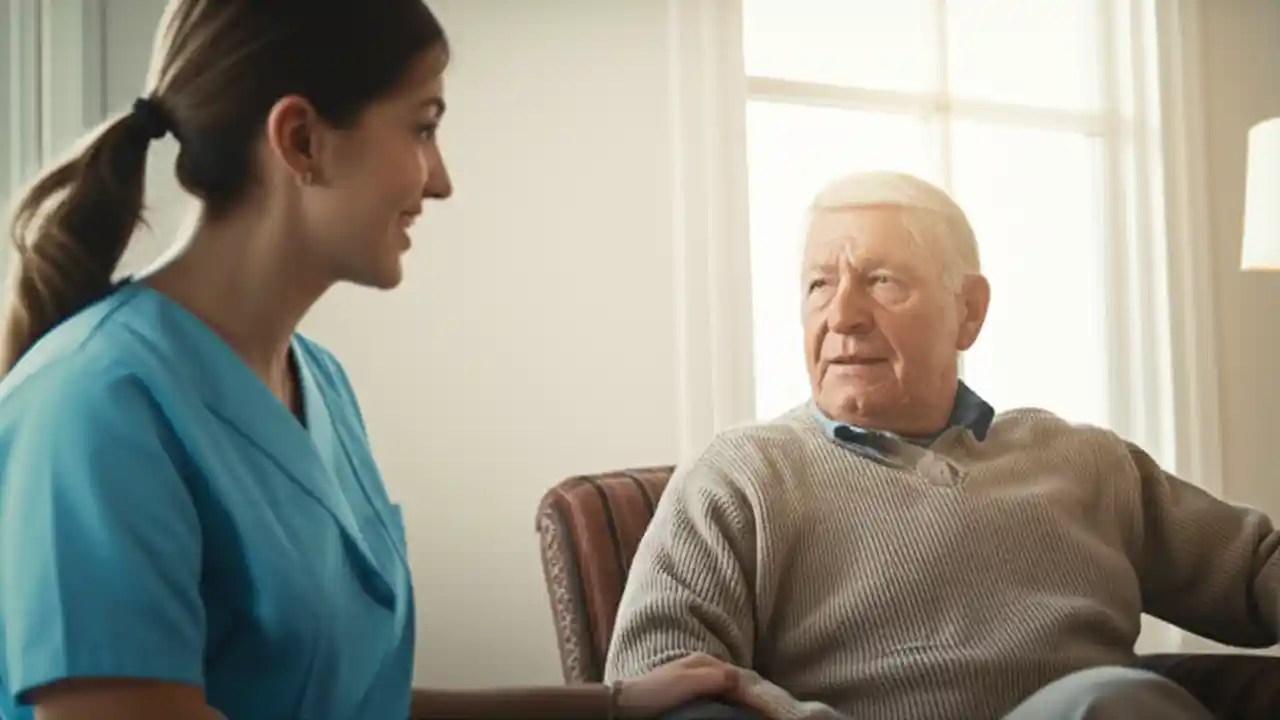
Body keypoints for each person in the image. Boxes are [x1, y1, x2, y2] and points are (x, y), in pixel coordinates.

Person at [0, 2, 746, 719]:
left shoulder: (317, 382)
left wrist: (611, 706)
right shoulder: (94, 406)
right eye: (422, 128)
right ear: (300, 140)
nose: (441, 178)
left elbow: (348, 706)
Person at [604, 171, 1280, 719]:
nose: (841, 316)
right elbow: (658, 676)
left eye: (881, 281)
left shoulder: (1084, 460)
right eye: (819, 285)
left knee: (1115, 703)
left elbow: (1255, 576)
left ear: (969, 310)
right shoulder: (742, 476)